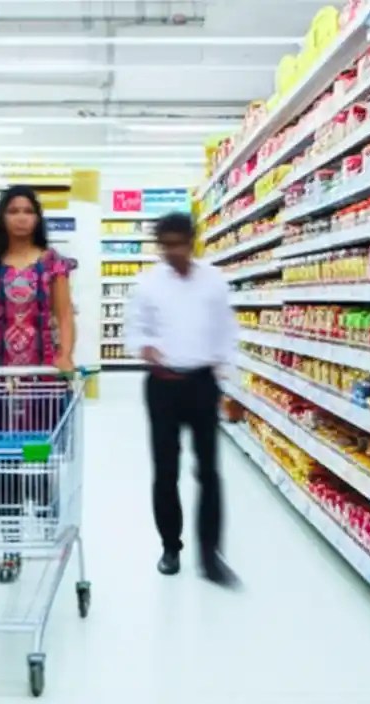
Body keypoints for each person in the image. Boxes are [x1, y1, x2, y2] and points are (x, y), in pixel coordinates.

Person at [0, 185, 76, 583]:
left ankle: (43, 521)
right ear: (2, 217)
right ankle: (11, 547)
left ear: (37, 218)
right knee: (4, 467)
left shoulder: (51, 263)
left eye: (29, 211)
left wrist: (65, 357)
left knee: (37, 462)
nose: (22, 217)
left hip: (41, 380)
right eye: (13, 210)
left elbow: (64, 316)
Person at [124, 212, 239, 587]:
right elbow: (134, 332)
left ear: (192, 241)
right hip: (163, 385)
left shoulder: (214, 281)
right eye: (167, 245)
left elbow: (226, 331)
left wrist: (228, 379)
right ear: (159, 245)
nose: (173, 251)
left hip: (203, 383)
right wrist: (145, 347)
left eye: (179, 243)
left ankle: (211, 556)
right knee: (165, 470)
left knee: (209, 471)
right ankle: (170, 547)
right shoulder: (146, 284)